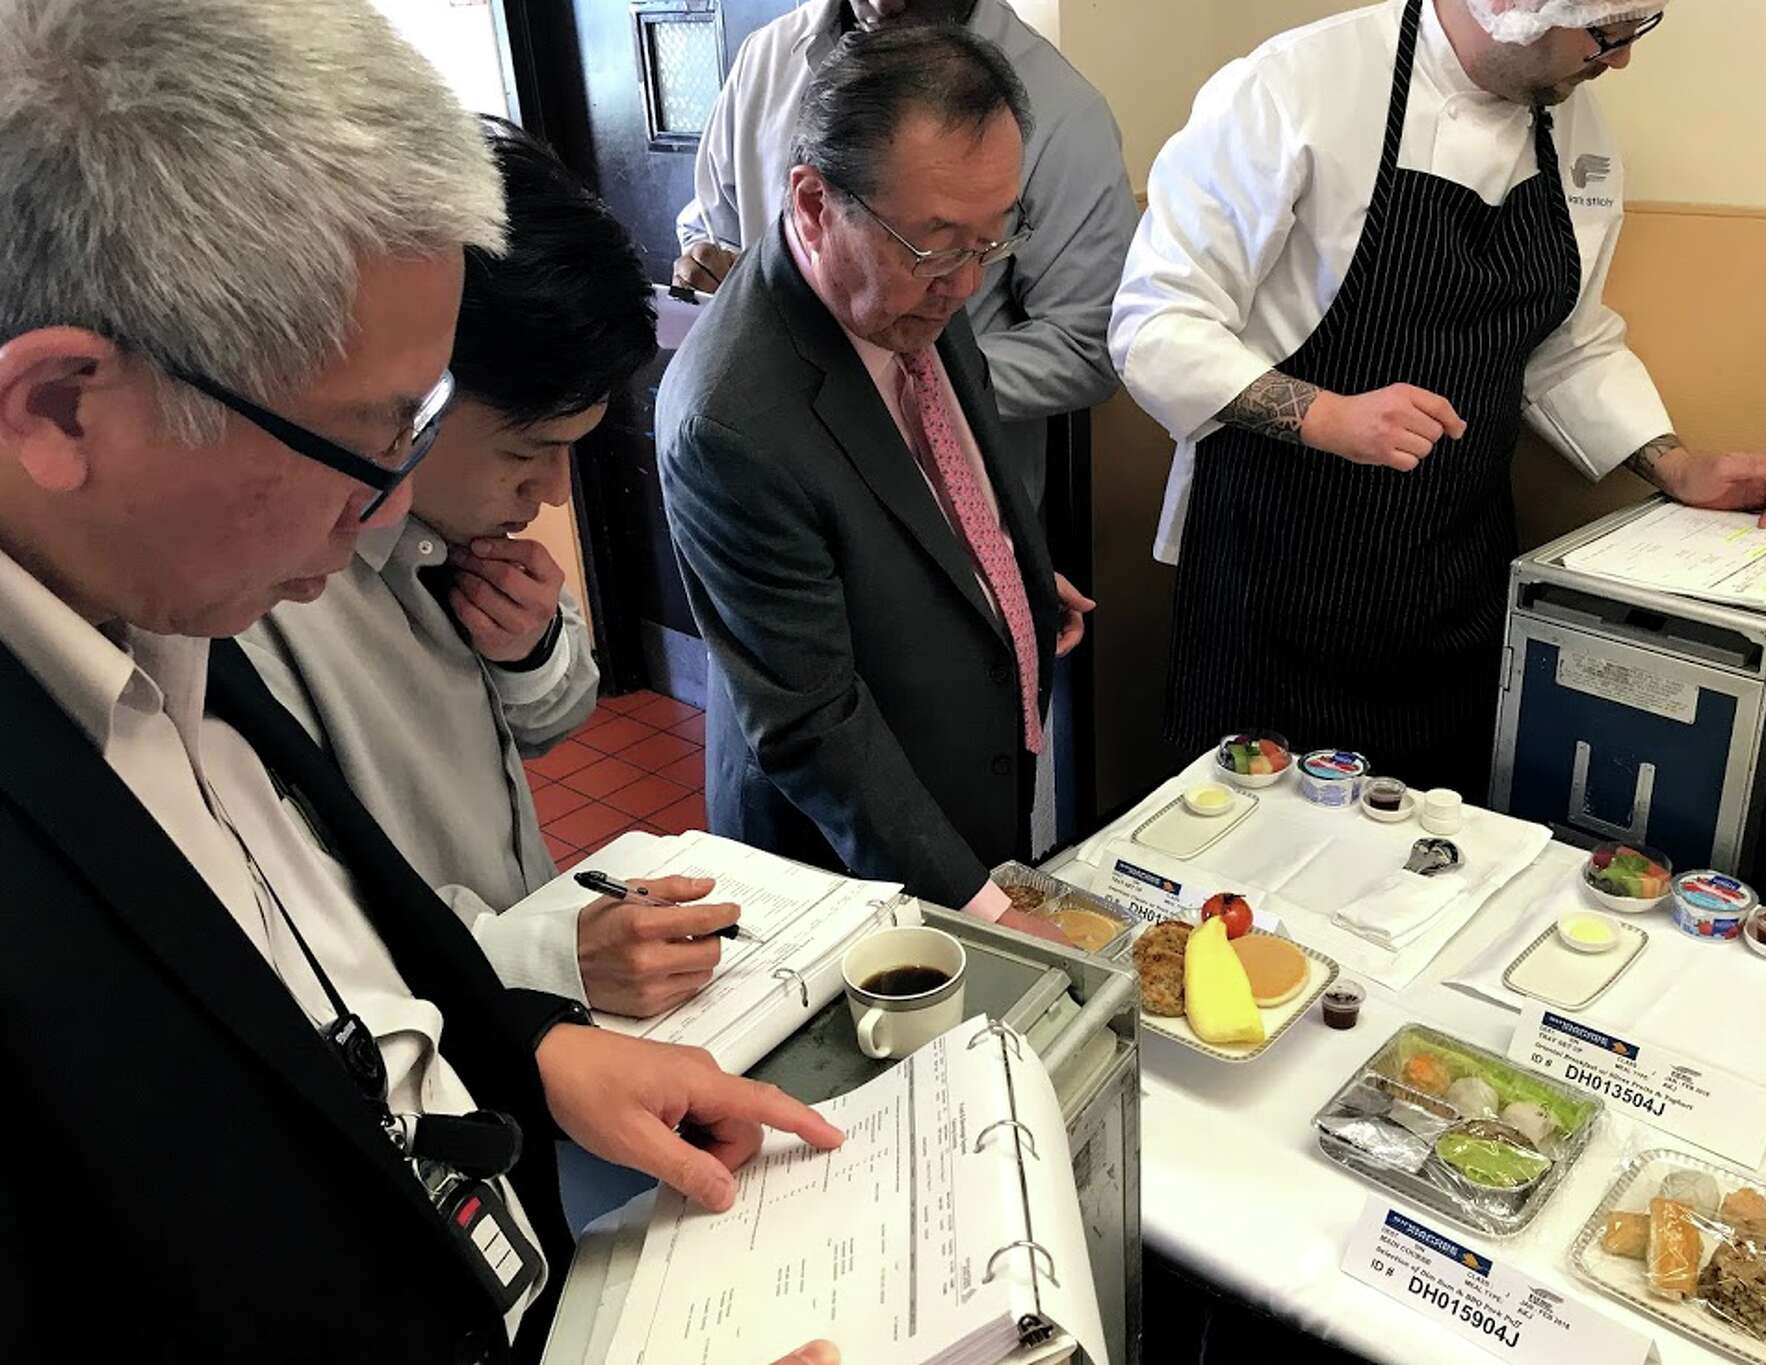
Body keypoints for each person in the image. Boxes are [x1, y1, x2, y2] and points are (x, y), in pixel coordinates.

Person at [0, 4, 839, 1360]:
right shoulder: (219, 603)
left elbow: (330, 972)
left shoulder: (168, 608)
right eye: (375, 434)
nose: (391, 502)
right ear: (59, 410)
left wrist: (533, 1052)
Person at [1110, 0, 1766, 799]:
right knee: (1250, 863)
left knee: (1432, 864)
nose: (1618, 62)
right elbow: (1155, 322)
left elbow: (1561, 346)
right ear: (1511, 6)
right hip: (1275, 577)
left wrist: (1676, 466)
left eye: (1634, 32)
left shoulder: (1574, 130)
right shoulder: (1291, 87)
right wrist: (1328, 415)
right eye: (1605, 35)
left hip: (1453, 583)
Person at [242, 118, 730, 1022]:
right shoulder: (260, 590)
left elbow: (558, 714)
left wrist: (532, 646)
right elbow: (305, 947)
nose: (548, 493)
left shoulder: (454, 532)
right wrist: (545, 954)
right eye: (526, 452)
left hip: (518, 1007)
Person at [659, 25, 1091, 939]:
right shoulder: (732, 420)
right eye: (937, 246)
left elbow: (928, 490)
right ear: (814, 204)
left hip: (965, 783)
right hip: (843, 870)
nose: (966, 283)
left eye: (993, 240)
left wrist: (1005, 580)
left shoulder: (919, 275)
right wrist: (981, 909)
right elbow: (813, 723)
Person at [673, 0, 1136, 511]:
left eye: (985, 245)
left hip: (956, 494)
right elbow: (712, 220)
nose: (966, 283)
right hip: (770, 467)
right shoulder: (764, 59)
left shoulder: (1061, 109)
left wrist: (903, 381)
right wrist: (708, 260)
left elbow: (1086, 343)